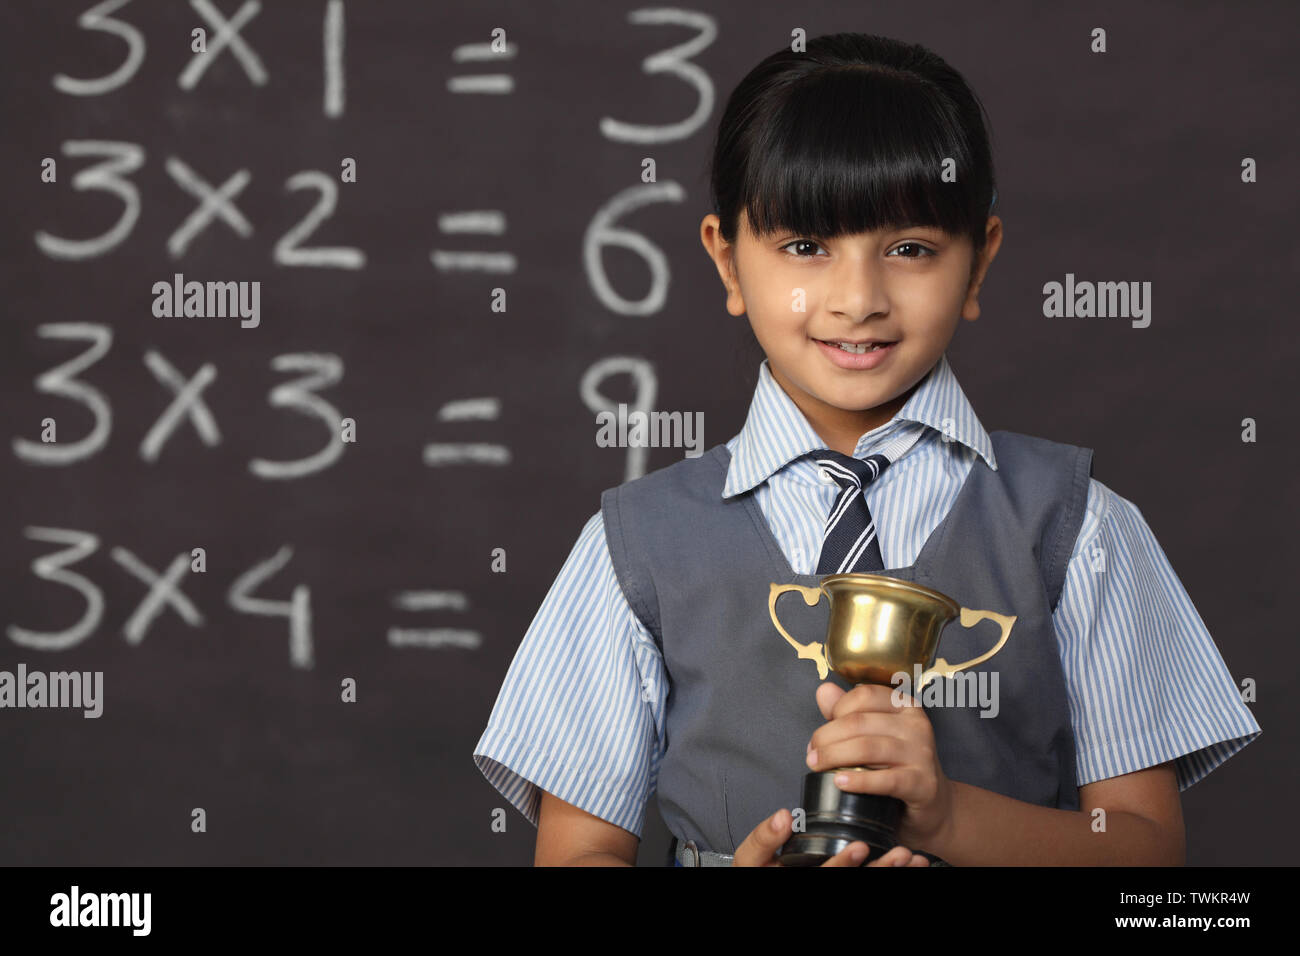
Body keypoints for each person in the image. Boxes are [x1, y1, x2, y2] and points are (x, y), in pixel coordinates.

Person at [472, 32, 1260, 867]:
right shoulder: (635, 546)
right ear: (727, 260)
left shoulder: (1078, 528)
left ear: (979, 262)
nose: (857, 299)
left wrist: (951, 819)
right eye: (805, 247)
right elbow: (578, 850)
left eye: (910, 249)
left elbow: (1147, 855)